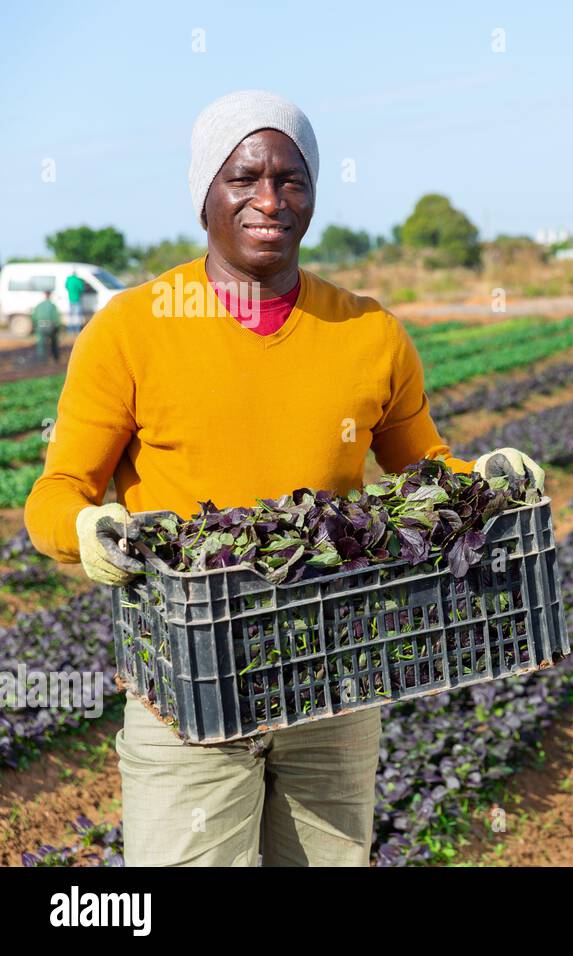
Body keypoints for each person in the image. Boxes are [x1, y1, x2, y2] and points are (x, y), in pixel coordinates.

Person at [23, 89, 543, 867]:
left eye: (291, 179)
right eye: (245, 177)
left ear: (313, 194)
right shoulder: (131, 330)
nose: (270, 199)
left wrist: (487, 479)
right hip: (189, 693)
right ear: (206, 195)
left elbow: (424, 468)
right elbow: (56, 491)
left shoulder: (368, 332)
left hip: (331, 680)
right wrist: (84, 530)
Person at [31, 289, 62, 364]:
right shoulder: (52, 305)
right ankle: (55, 358)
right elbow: (56, 319)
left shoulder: (39, 305)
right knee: (54, 341)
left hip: (40, 326)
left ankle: (41, 360)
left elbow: (34, 317)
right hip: (50, 326)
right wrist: (58, 328)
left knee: (40, 343)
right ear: (50, 296)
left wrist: (35, 326)